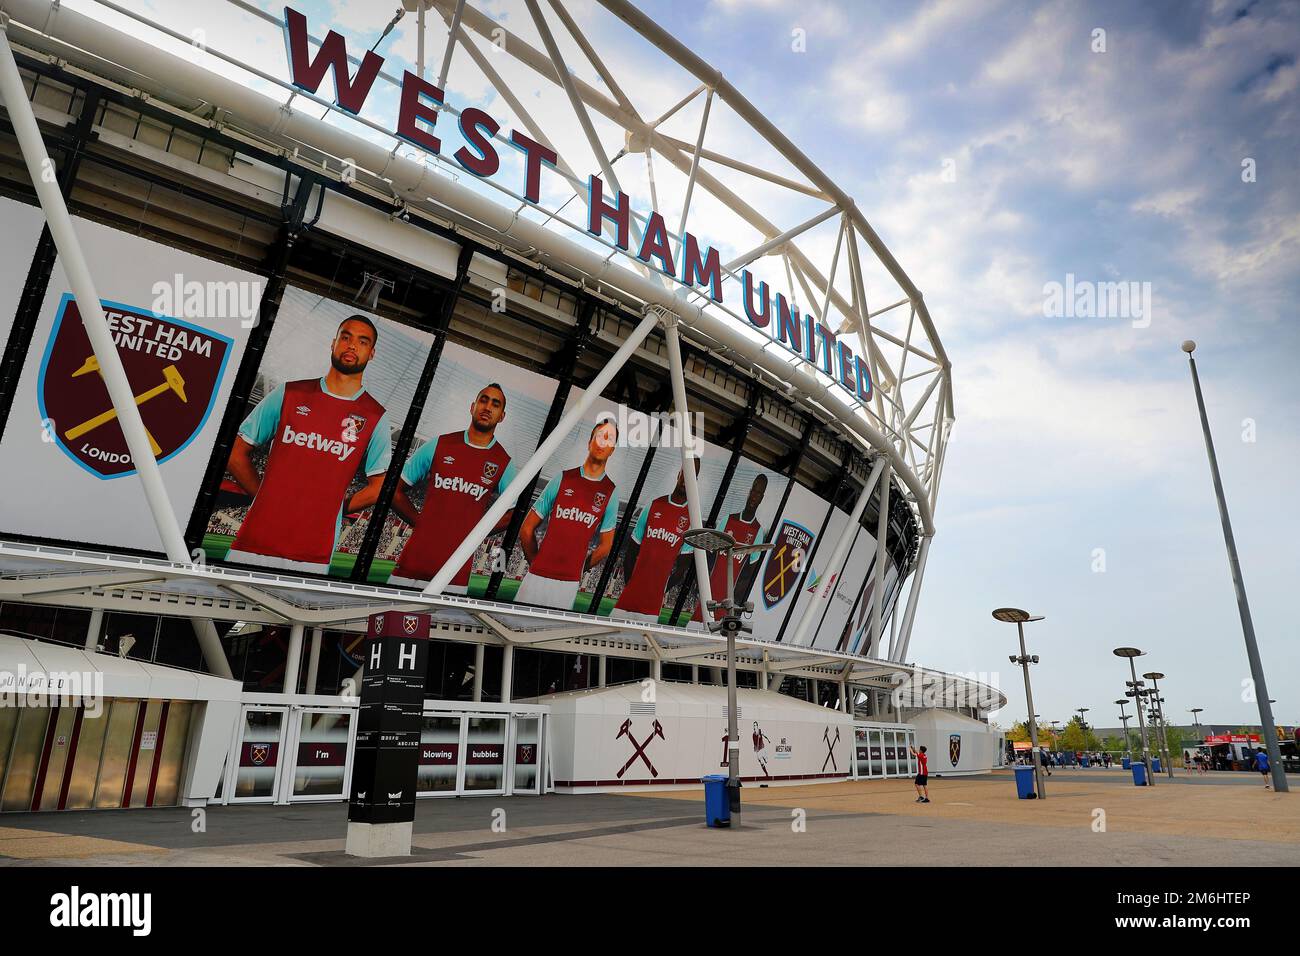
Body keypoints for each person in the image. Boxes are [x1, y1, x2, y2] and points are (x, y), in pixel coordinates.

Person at [225, 315, 390, 573]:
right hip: (253, 542)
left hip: (314, 554)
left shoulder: (376, 416)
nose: (351, 346)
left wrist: (333, 509)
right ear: (333, 343)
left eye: (362, 341)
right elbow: (235, 453)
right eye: (345, 337)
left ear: (372, 353)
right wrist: (264, 497)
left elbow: (380, 488)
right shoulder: (289, 393)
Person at [388, 383, 517, 593]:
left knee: (441, 625)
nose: (487, 407)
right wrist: (420, 522)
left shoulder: (503, 462)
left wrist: (476, 533)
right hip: (412, 561)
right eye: (483, 400)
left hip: (455, 573)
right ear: (472, 406)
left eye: (495, 404)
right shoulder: (440, 444)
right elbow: (394, 489)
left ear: (502, 416)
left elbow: (514, 514)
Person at [516, 419, 620, 610]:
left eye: (609, 439)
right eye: (599, 437)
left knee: (547, 636)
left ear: (612, 449)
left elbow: (606, 545)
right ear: (590, 443)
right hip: (536, 576)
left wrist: (579, 570)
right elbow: (527, 528)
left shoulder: (610, 492)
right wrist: (536, 563)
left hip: (568, 583)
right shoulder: (562, 478)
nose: (602, 443)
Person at [611, 462, 699, 624]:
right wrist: (631, 584)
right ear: (679, 474)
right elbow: (632, 550)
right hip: (628, 598)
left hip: (652, 606)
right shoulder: (654, 505)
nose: (687, 479)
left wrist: (660, 590)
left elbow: (681, 569)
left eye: (693, 476)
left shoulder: (692, 519)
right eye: (685, 473)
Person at [693, 473, 768, 622]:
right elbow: (710, 553)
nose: (754, 496)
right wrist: (702, 581)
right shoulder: (728, 519)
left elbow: (750, 572)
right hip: (708, 594)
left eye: (759, 493)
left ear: (762, 498)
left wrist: (735, 596)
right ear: (749, 492)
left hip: (728, 601)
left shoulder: (757, 531)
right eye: (753, 490)